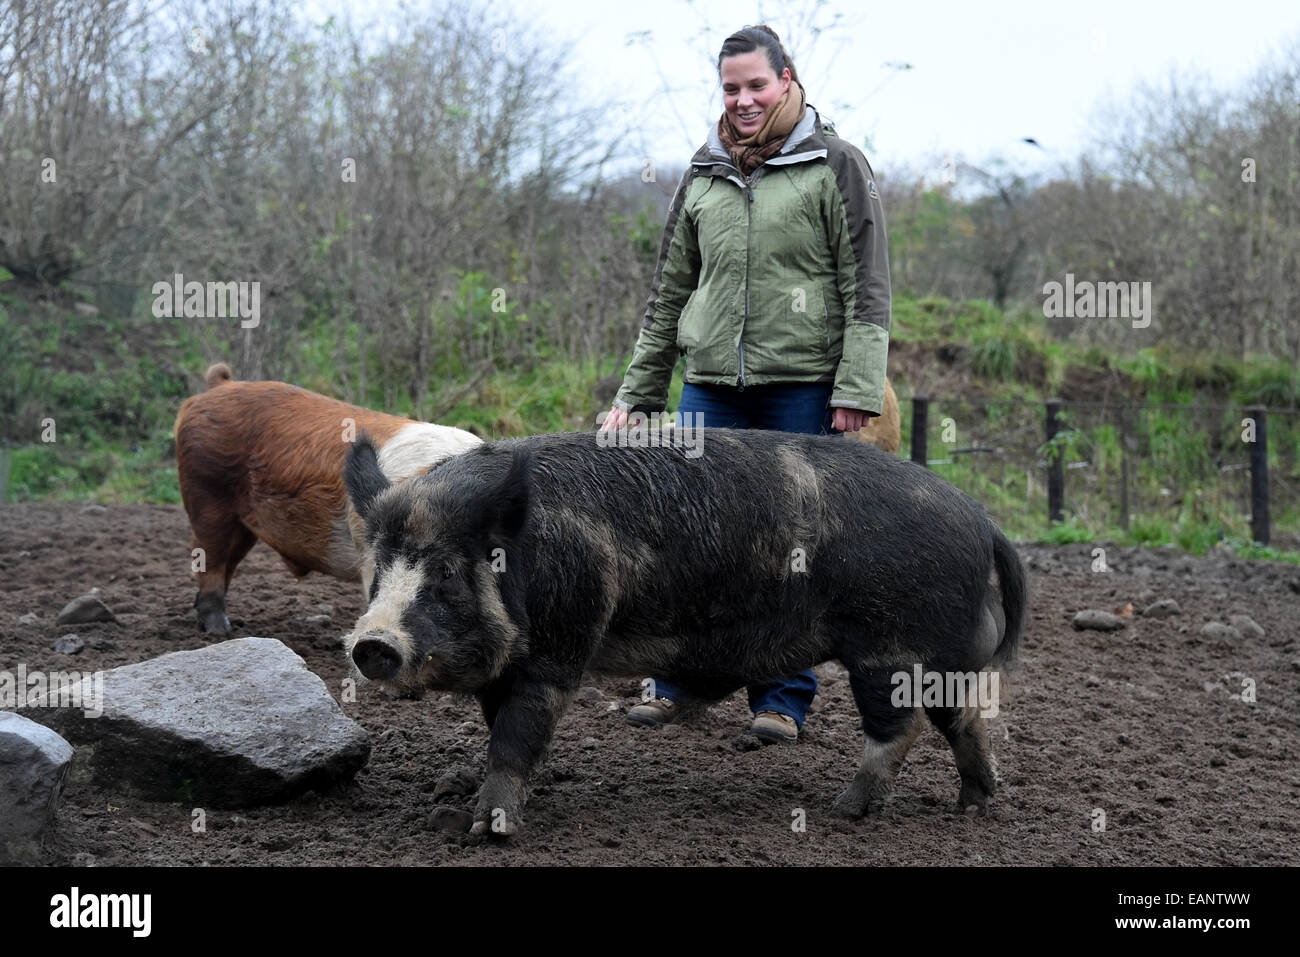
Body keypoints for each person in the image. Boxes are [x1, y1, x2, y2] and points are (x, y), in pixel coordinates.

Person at [600, 24, 892, 744]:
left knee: (788, 542)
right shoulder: (704, 173)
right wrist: (636, 394)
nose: (743, 100)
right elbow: (668, 296)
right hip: (709, 388)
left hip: (800, 385)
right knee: (688, 538)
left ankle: (780, 698)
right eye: (730, 88)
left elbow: (868, 287)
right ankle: (678, 682)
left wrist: (856, 386)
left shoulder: (837, 165)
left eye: (756, 84)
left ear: (786, 79)